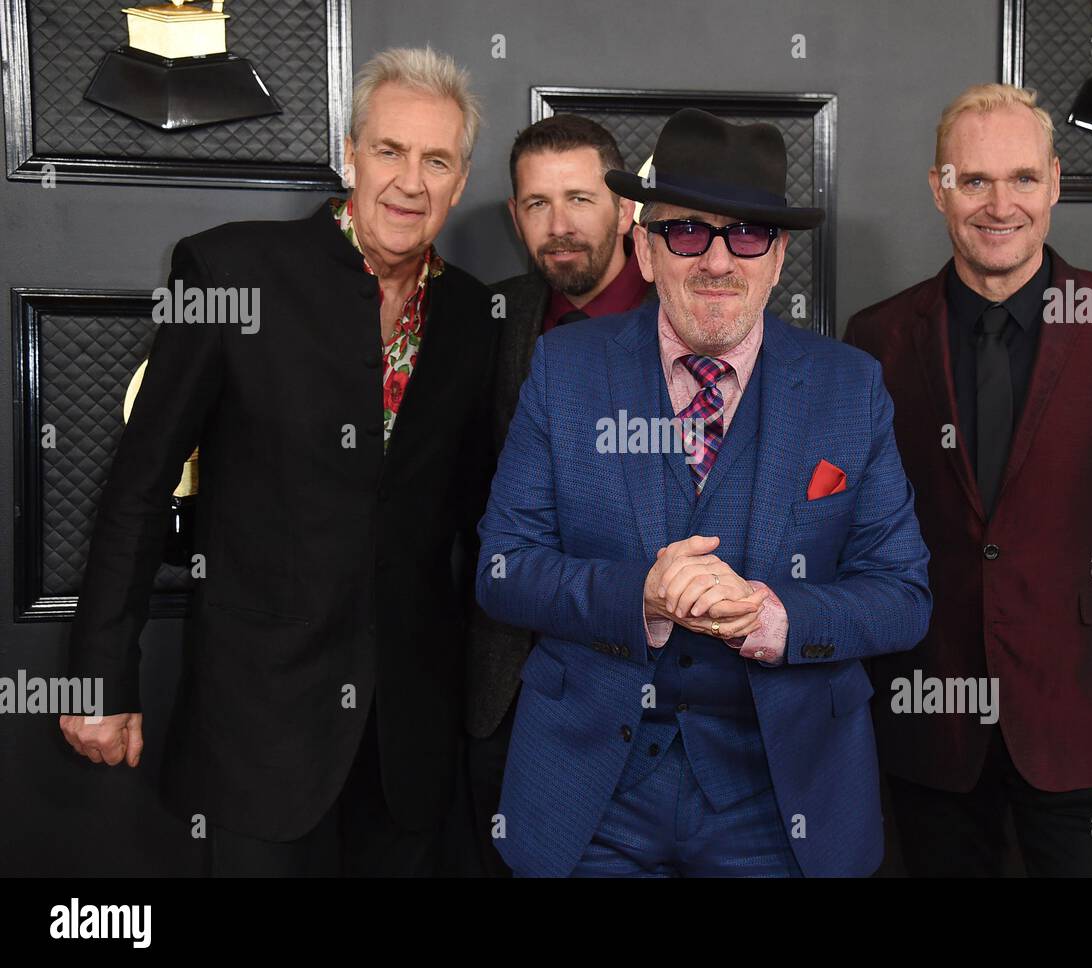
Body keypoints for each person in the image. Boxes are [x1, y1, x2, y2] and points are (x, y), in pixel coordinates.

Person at [59, 47, 498, 876]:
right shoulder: (232, 271)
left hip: (408, 742)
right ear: (349, 155)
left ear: (461, 178)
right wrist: (97, 676)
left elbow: (473, 517)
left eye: (435, 159)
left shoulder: (477, 315)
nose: (410, 181)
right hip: (260, 730)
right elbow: (140, 484)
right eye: (390, 150)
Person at [476, 108, 931, 877]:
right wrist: (641, 599)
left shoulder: (849, 388)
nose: (717, 261)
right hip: (594, 795)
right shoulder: (564, 368)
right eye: (686, 232)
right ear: (646, 251)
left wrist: (780, 616)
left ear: (778, 256)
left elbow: (904, 595)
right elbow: (504, 570)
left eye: (746, 233)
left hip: (778, 797)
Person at [844, 83, 1092, 876]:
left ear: (1055, 182)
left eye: (1021, 179)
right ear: (938, 187)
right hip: (930, 732)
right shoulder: (875, 337)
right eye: (973, 180)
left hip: (1090, 729)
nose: (998, 205)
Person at [467, 115, 655, 875]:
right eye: (536, 204)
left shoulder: (691, 313)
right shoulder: (490, 318)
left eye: (579, 198)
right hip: (509, 690)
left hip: (649, 697)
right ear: (515, 216)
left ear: (626, 208)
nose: (559, 225)